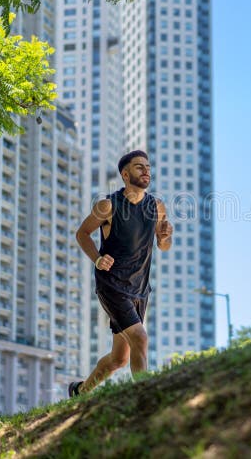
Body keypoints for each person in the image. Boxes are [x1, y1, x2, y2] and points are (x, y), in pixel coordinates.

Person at [69, 150, 172, 397]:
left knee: (119, 358)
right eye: (139, 167)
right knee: (140, 338)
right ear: (125, 174)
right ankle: (143, 397)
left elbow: (163, 245)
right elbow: (82, 234)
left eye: (147, 166)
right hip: (112, 285)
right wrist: (97, 258)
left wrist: (166, 236)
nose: (146, 171)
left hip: (140, 289)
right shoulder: (108, 206)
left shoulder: (156, 206)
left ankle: (80, 391)